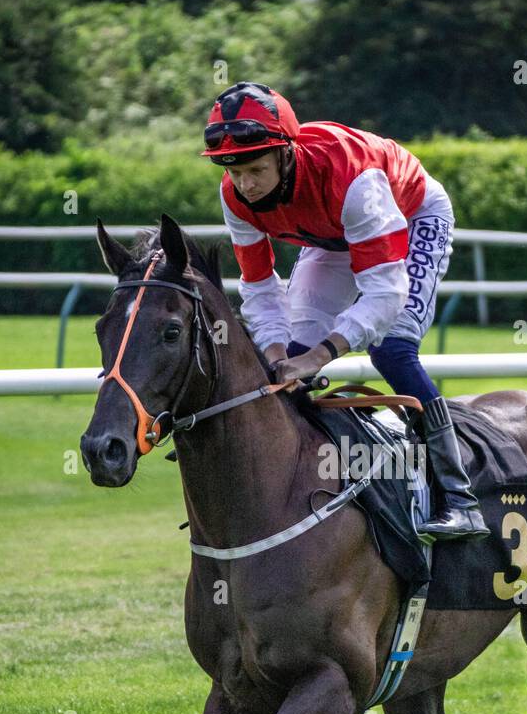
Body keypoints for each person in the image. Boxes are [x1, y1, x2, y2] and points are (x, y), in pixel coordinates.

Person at [202, 81, 489, 542]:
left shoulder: (353, 179)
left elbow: (385, 294)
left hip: (410, 215)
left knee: (391, 349)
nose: (246, 185)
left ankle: (461, 498)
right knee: (287, 359)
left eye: (255, 169)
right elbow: (257, 284)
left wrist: (321, 356)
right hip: (331, 235)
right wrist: (280, 353)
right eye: (234, 173)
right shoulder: (234, 194)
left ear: (287, 153)